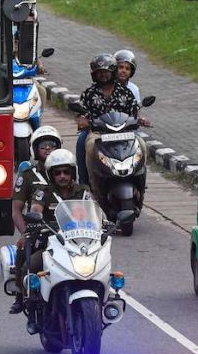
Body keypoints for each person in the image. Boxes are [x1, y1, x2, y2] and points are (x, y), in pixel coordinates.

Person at [19, 150, 91, 332]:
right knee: (29, 267)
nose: (62, 176)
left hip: (78, 244)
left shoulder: (83, 191)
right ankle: (31, 307)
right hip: (50, 244)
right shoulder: (43, 192)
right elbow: (36, 208)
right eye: (58, 173)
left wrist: (105, 224)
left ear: (72, 173)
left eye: (66, 172)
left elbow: (95, 212)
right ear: (51, 175)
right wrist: (34, 221)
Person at [8, 126, 62, 313]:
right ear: (34, 150)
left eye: (52, 145)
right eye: (43, 145)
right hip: (37, 229)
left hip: (65, 230)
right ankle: (21, 296)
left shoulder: (65, 171)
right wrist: (26, 233)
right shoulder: (29, 174)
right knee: (26, 258)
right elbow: (16, 210)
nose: (48, 149)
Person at [74, 53, 141, 185]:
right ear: (94, 74)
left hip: (123, 132)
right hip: (98, 132)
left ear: (113, 72)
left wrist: (140, 119)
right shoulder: (88, 93)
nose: (103, 75)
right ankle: (84, 182)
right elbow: (82, 111)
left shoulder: (125, 92)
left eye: (106, 72)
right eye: (99, 72)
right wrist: (82, 119)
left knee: (141, 145)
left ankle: (139, 178)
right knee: (83, 142)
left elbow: (134, 111)